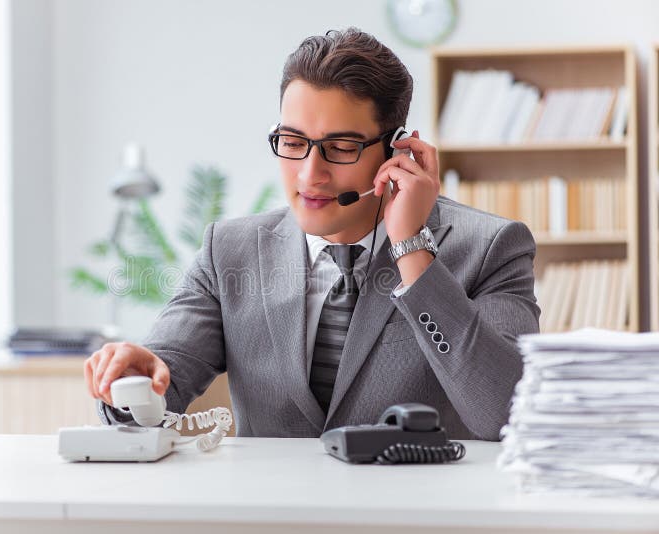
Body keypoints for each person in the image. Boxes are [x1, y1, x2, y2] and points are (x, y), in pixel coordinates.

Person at [84, 28, 540, 440]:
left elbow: (505, 415)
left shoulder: (491, 250)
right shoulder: (228, 251)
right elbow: (164, 378)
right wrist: (135, 385)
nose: (310, 173)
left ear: (396, 150)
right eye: (293, 142)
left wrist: (412, 249)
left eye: (340, 148)